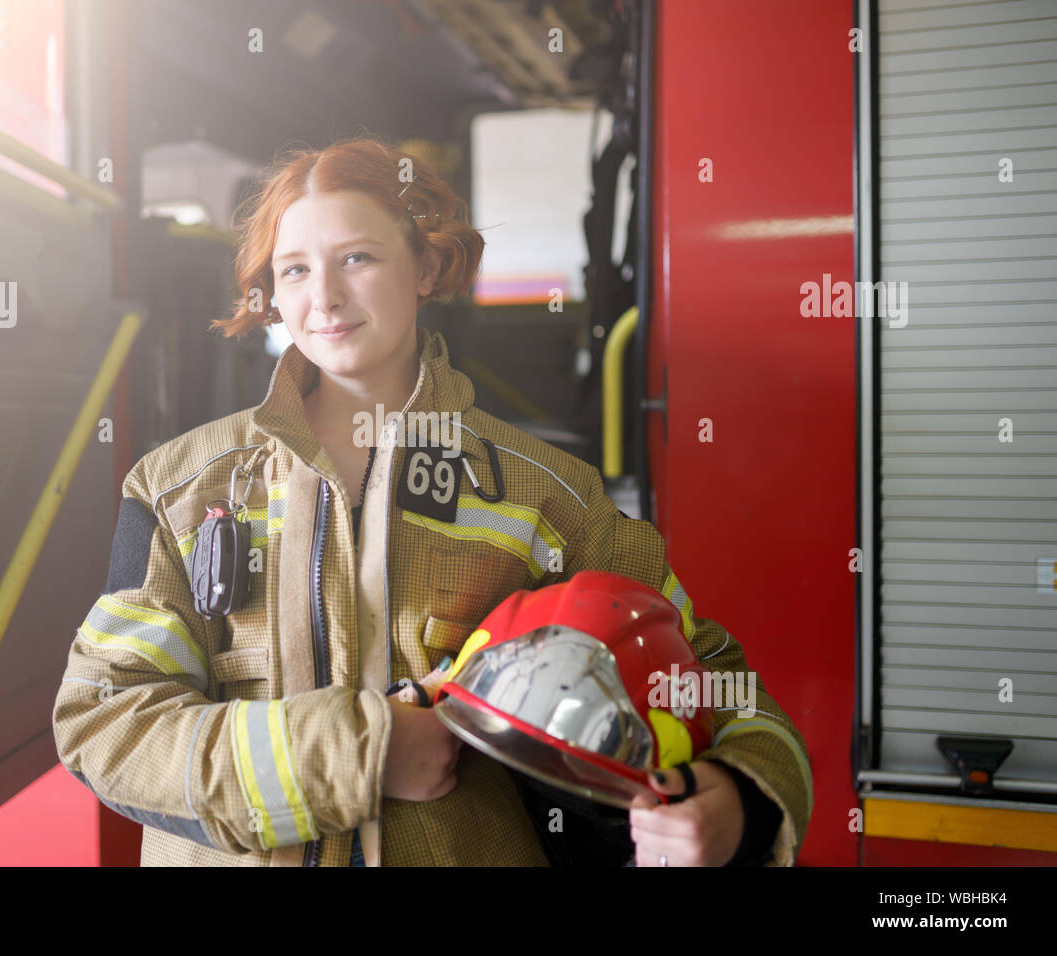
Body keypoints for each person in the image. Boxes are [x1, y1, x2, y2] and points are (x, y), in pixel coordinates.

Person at [51, 136, 812, 866]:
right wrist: (364, 752)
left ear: (425, 266)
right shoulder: (180, 486)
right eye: (293, 271)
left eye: (357, 257)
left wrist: (737, 801)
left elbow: (711, 679)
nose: (325, 297)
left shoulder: (546, 496)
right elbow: (105, 722)